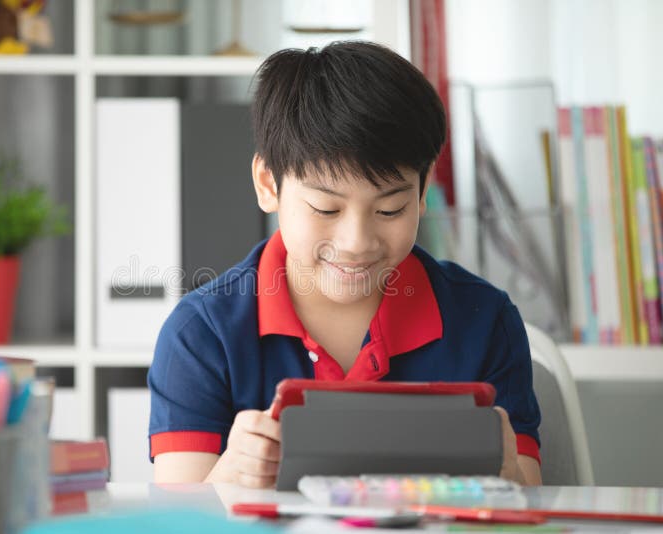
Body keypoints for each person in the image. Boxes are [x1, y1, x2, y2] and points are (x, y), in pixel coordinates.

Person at [148, 41, 542, 488]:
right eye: (326, 209)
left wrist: (509, 469)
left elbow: (529, 497)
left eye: (390, 210)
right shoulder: (202, 335)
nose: (357, 243)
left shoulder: (485, 321)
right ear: (267, 184)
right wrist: (227, 477)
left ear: (421, 189)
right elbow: (177, 513)